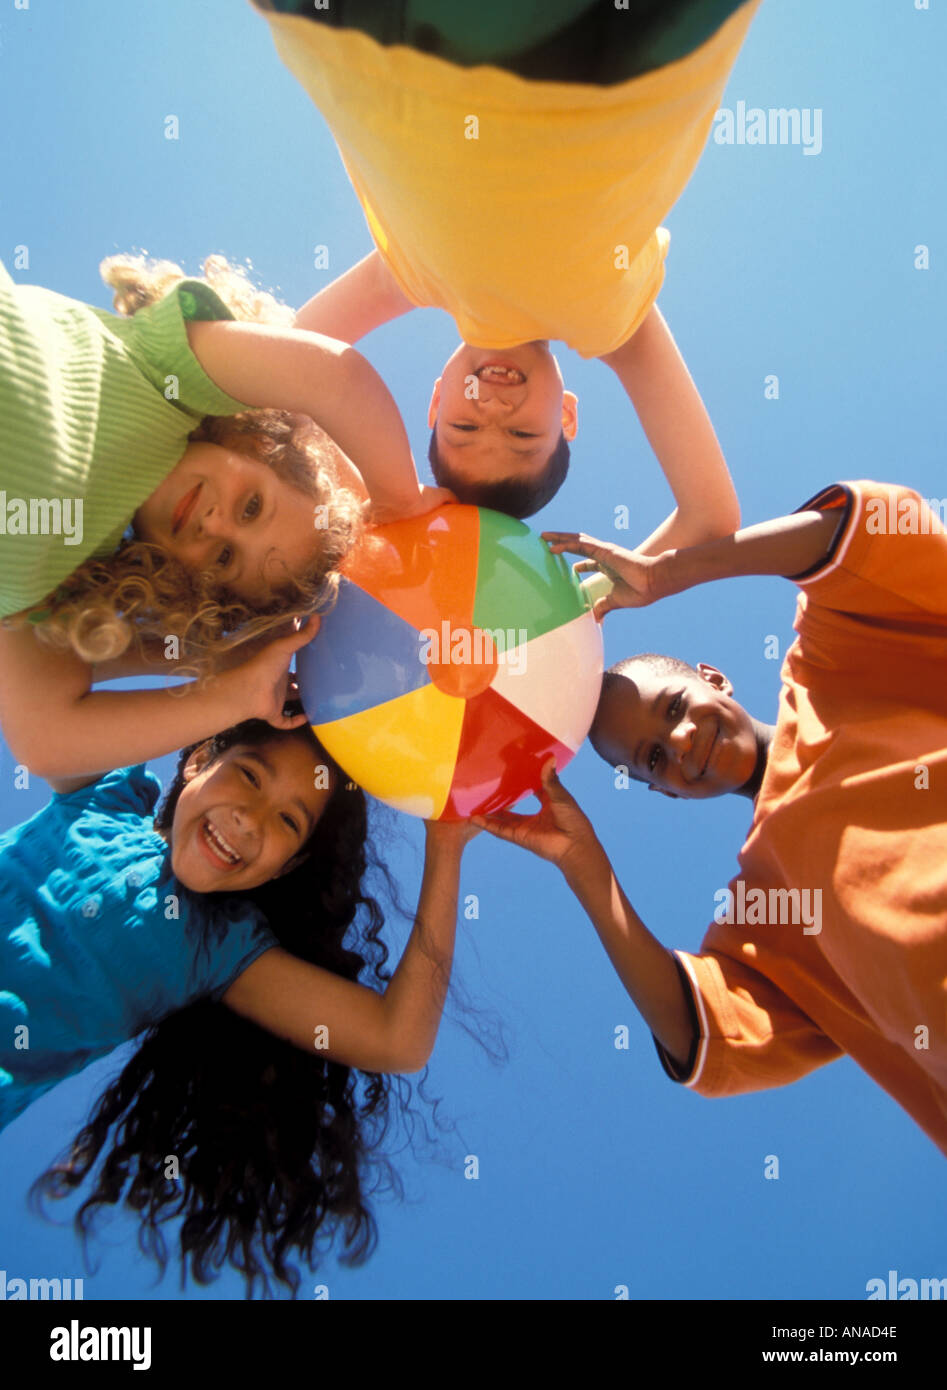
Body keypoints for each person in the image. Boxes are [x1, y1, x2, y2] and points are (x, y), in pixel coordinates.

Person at [475, 482, 947, 1155]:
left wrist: (670, 572)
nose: (681, 743)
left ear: (714, 678)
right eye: (652, 759)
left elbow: (862, 532)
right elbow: (693, 1029)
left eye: (673, 707)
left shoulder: (836, 667)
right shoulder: (770, 915)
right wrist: (582, 864)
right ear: (665, 794)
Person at [1, 715, 477, 1293]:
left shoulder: (220, 948)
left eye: (288, 821)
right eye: (250, 776)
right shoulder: (102, 793)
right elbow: (38, 696)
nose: (250, 821)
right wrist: (240, 685)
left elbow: (397, 1040)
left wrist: (446, 842)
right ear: (199, 758)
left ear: (289, 864)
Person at [249, 0, 760, 531]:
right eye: (522, 438)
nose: (492, 411)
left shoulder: (409, 278)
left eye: (463, 428)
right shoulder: (613, 327)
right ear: (566, 414)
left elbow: (280, 378)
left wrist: (381, 505)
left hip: (380, 42)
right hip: (631, 57)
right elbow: (711, 515)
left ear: (437, 400)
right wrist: (590, 604)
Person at [0, 253, 450, 779]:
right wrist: (396, 502)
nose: (215, 524)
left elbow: (47, 742)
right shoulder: (165, 377)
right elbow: (331, 375)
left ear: (181, 585)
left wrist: (239, 695)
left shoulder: (68, 586)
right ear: (258, 443)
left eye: (223, 557)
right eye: (252, 505)